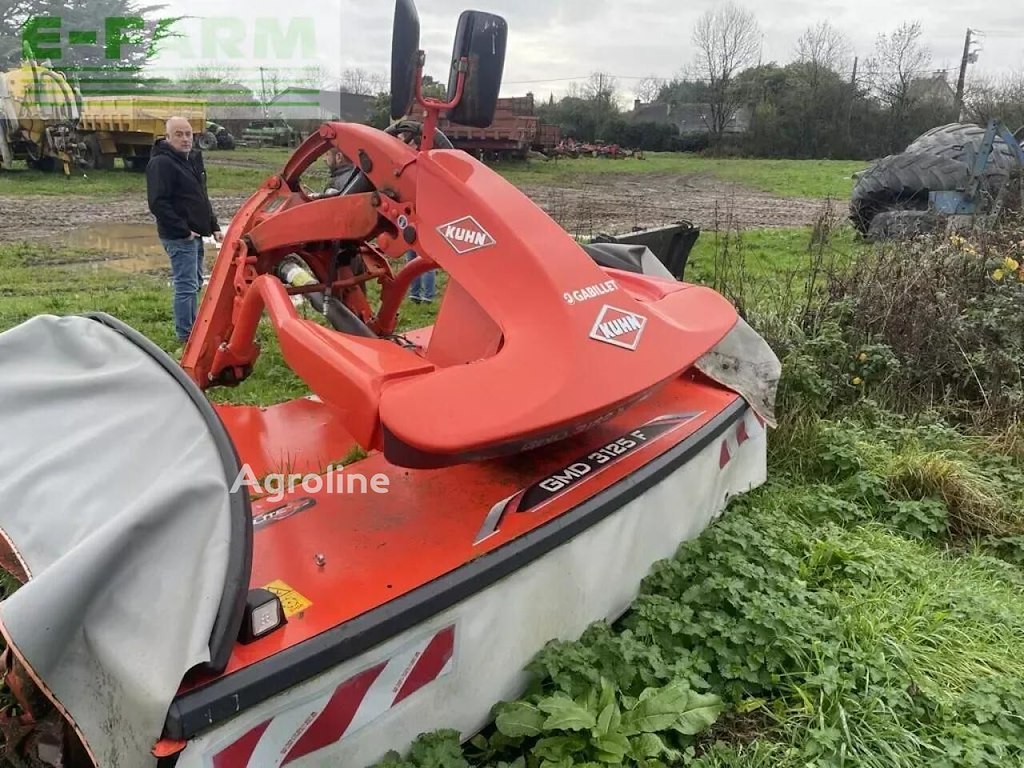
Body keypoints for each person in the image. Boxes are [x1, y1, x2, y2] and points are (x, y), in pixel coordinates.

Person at [146, 116, 223, 344]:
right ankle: (186, 336)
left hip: (196, 234)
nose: (185, 139)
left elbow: (201, 197)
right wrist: (183, 230)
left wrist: (214, 226)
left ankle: (192, 328)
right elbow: (158, 203)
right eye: (178, 134)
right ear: (167, 137)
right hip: (180, 237)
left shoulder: (192, 160)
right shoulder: (162, 163)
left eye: (188, 134)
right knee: (186, 285)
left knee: (195, 283)